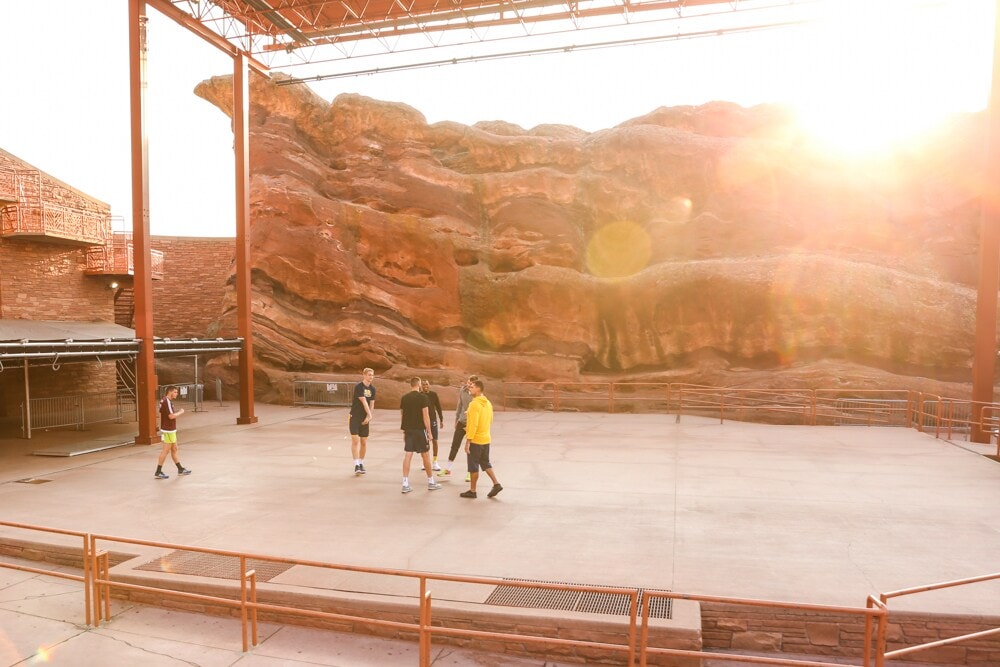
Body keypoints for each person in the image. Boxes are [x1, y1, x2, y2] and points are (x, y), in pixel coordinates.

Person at [399, 377, 443, 494]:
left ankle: (405, 483)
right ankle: (431, 481)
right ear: (418, 385)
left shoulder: (404, 398)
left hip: (409, 430)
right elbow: (426, 416)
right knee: (425, 455)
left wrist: (404, 430)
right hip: (420, 430)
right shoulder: (423, 398)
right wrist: (429, 432)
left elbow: (403, 415)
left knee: (408, 455)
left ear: (410, 385)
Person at [461, 379, 502, 499]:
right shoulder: (488, 403)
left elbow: (473, 424)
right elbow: (490, 420)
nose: (470, 388)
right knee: (485, 462)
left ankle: (472, 491)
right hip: (486, 438)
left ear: (478, 389)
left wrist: (468, 441)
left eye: (472, 387)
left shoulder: (474, 404)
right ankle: (496, 484)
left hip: (476, 440)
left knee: (473, 466)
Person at [438, 374, 477, 480]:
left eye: (471, 384)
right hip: (461, 422)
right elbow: (459, 405)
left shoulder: (477, 395)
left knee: (471, 449)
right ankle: (448, 469)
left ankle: (471, 472)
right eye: (468, 382)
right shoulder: (462, 391)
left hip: (472, 424)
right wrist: (456, 419)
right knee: (455, 445)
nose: (469, 385)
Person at [155, 386, 191, 479]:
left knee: (174, 449)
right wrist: (180, 412)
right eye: (175, 392)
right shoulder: (167, 401)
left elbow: (160, 413)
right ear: (170, 392)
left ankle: (180, 469)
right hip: (169, 430)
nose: (176, 394)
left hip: (169, 429)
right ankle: (158, 471)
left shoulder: (164, 401)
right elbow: (171, 416)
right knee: (166, 450)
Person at [349, 368, 376, 475]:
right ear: (364, 375)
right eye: (369, 375)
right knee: (355, 440)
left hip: (365, 418)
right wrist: (370, 416)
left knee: (364, 442)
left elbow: (371, 404)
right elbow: (364, 402)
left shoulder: (373, 389)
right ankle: (356, 465)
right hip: (355, 417)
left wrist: (369, 417)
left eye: (372, 375)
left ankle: (361, 463)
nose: (371, 377)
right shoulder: (358, 387)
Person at [420, 380, 444, 471]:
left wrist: (441, 419)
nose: (425, 386)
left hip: (433, 420)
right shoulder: (419, 395)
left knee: (434, 440)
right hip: (422, 421)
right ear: (421, 386)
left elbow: (438, 407)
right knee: (424, 442)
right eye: (423, 384)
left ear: (429, 385)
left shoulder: (433, 394)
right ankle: (425, 462)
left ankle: (435, 462)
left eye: (427, 384)